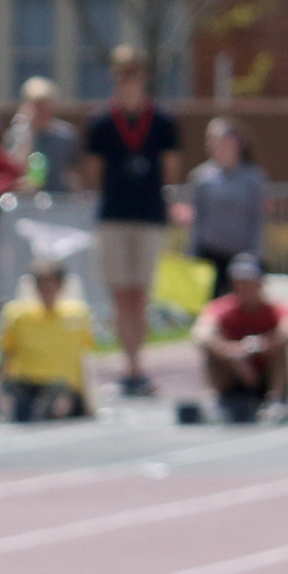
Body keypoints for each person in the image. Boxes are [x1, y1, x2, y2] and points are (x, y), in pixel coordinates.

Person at [84, 45, 181, 397]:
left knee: (140, 294)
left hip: (148, 215)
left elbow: (170, 169)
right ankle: (128, 365)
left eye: (133, 73)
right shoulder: (101, 122)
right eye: (120, 74)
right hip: (113, 216)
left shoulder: (164, 121)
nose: (126, 81)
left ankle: (138, 365)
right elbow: (94, 172)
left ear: (144, 76)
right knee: (119, 294)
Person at [194, 254, 288, 422]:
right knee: (210, 349)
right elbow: (201, 333)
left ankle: (275, 400)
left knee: (281, 349)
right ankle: (216, 399)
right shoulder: (222, 307)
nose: (244, 288)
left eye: (249, 282)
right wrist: (232, 352)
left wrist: (258, 346)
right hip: (233, 371)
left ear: (260, 283)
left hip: (264, 370)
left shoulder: (275, 309)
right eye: (239, 282)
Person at [0, 257, 95, 422]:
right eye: (42, 285)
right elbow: (7, 352)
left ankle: (55, 406)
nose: (47, 290)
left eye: (52, 284)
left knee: (59, 399)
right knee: (23, 408)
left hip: (64, 384)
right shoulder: (17, 315)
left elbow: (84, 358)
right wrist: (1, 389)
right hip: (28, 382)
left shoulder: (77, 314)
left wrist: (88, 396)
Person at [184, 118, 265, 299]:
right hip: (210, 252)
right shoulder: (202, 178)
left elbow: (256, 217)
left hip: (241, 254)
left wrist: (257, 253)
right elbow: (198, 218)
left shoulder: (253, 178)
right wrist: (192, 252)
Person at [5, 77, 80, 194]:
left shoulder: (66, 136)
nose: (43, 110)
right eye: (37, 105)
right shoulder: (15, 136)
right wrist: (26, 133)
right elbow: (13, 167)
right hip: (28, 200)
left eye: (46, 104)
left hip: (59, 198)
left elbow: (73, 171)